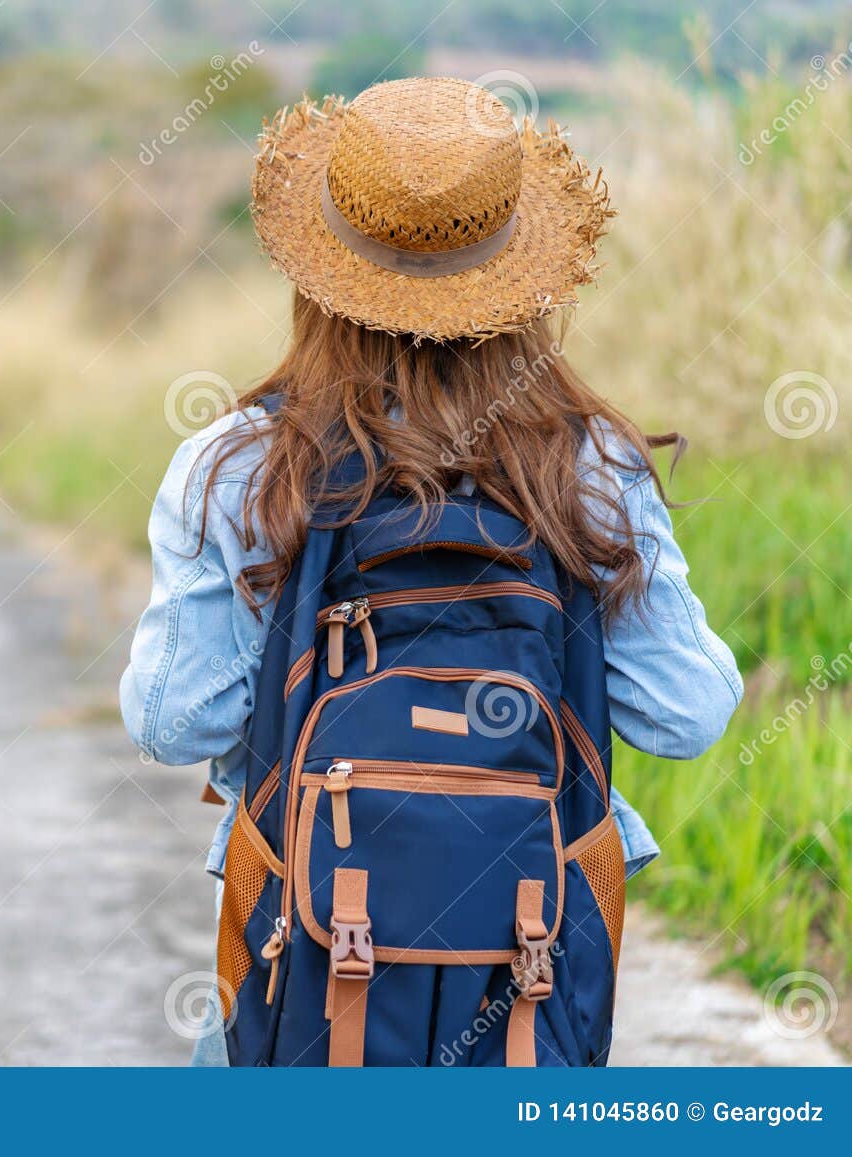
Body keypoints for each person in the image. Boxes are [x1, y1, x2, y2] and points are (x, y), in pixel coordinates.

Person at [119, 78, 742, 1066]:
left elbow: (171, 723)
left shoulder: (240, 463)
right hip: (527, 962)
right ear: (521, 280)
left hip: (307, 951)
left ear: (318, 273)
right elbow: (688, 711)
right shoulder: (588, 465)